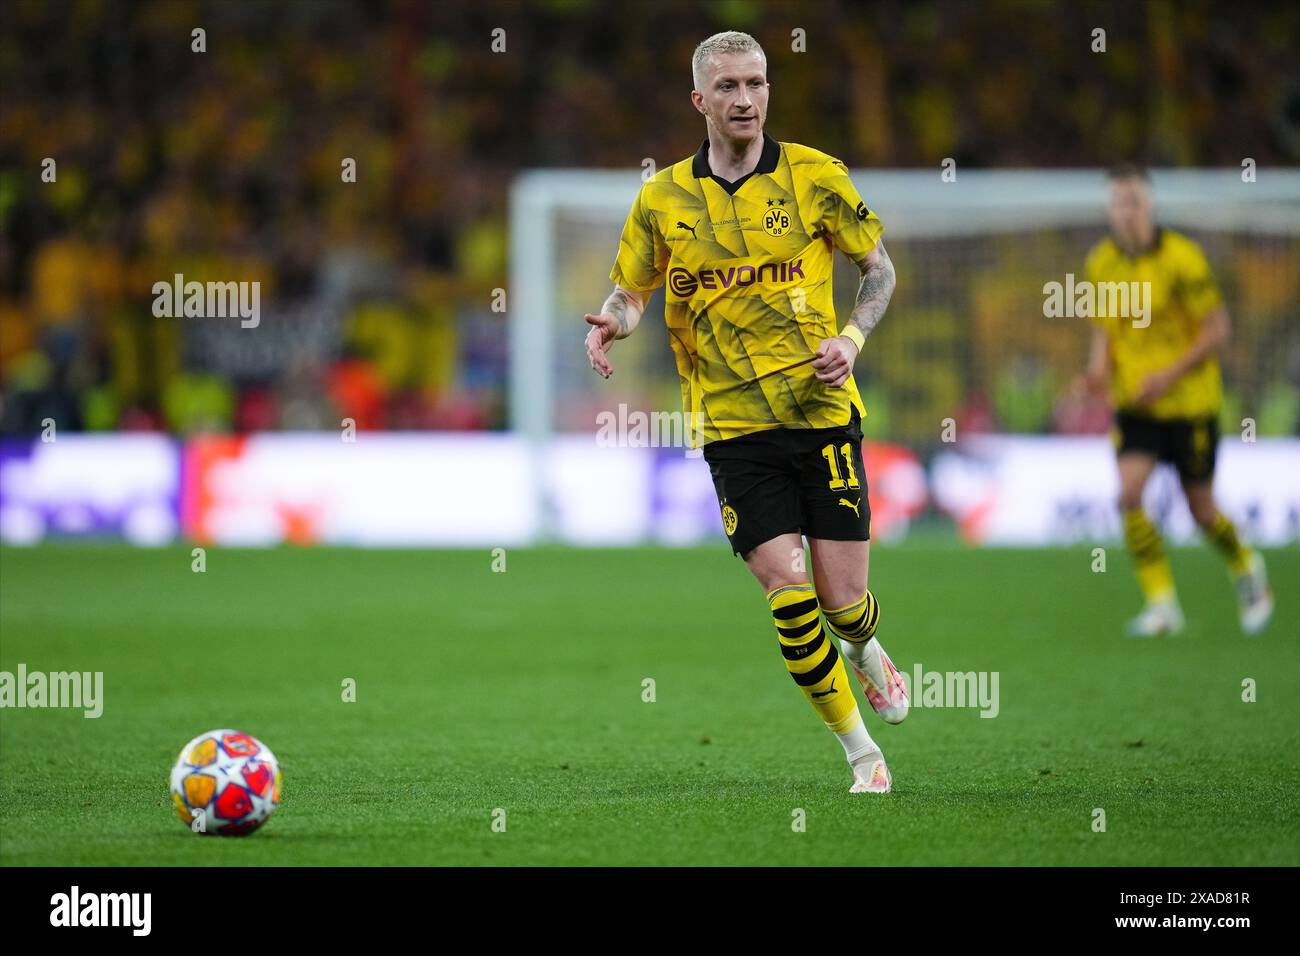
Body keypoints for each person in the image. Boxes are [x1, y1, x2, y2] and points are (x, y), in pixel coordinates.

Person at [584, 31, 907, 793]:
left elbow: (879, 269)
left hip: (823, 410)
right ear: (700, 100)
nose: (744, 99)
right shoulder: (662, 199)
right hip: (733, 427)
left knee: (843, 601)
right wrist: (611, 322)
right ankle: (863, 754)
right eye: (727, 86)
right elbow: (631, 293)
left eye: (757, 83)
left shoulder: (815, 177)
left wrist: (853, 338)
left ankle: (866, 648)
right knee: (788, 594)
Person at [1081, 164, 1273, 637]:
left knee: (1202, 511)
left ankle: (1247, 566)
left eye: (1135, 203)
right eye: (1119, 204)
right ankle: (1163, 604)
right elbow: (1105, 331)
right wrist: (1096, 374)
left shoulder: (1183, 259)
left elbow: (1217, 330)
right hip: (1137, 405)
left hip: (1189, 404)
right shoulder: (1101, 263)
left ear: (1150, 206)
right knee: (1128, 495)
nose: (1126, 213)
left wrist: (1166, 377)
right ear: (1109, 210)